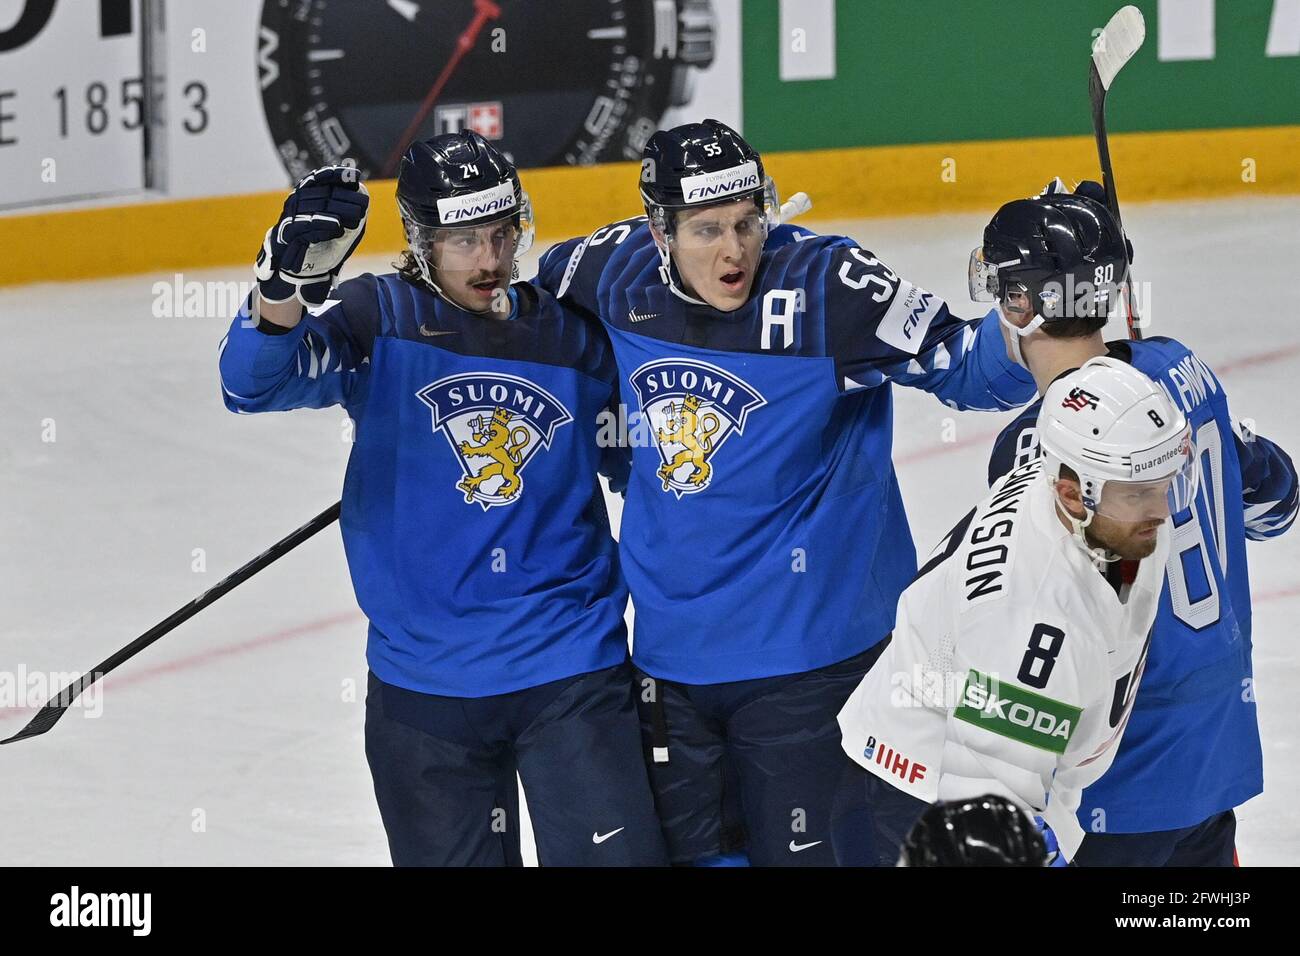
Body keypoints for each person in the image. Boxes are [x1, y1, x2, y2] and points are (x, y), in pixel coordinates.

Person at [533, 118, 1037, 865]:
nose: (734, 251)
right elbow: (524, 323)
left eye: (746, 224)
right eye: (706, 231)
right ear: (657, 231)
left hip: (813, 664)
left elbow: (968, 370)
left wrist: (1031, 305)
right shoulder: (602, 270)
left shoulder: (830, 287)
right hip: (672, 664)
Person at [218, 132, 667, 866]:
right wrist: (280, 292)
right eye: (464, 240)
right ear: (421, 242)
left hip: (568, 672)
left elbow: (646, 469)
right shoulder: (377, 320)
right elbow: (251, 385)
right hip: (422, 689)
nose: (490, 259)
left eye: (502, 233)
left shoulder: (569, 334)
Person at [983, 183, 1299, 865]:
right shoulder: (1185, 371)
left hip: (1120, 776)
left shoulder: (1038, 444)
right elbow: (1278, 503)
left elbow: (1034, 641)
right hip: (1216, 746)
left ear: (1020, 305)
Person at [835, 357, 1198, 865]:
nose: (1161, 509)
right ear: (1073, 496)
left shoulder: (1068, 485)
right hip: (921, 804)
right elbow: (985, 816)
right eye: (1139, 492)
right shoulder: (1037, 620)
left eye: (1166, 481)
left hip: (946, 766)